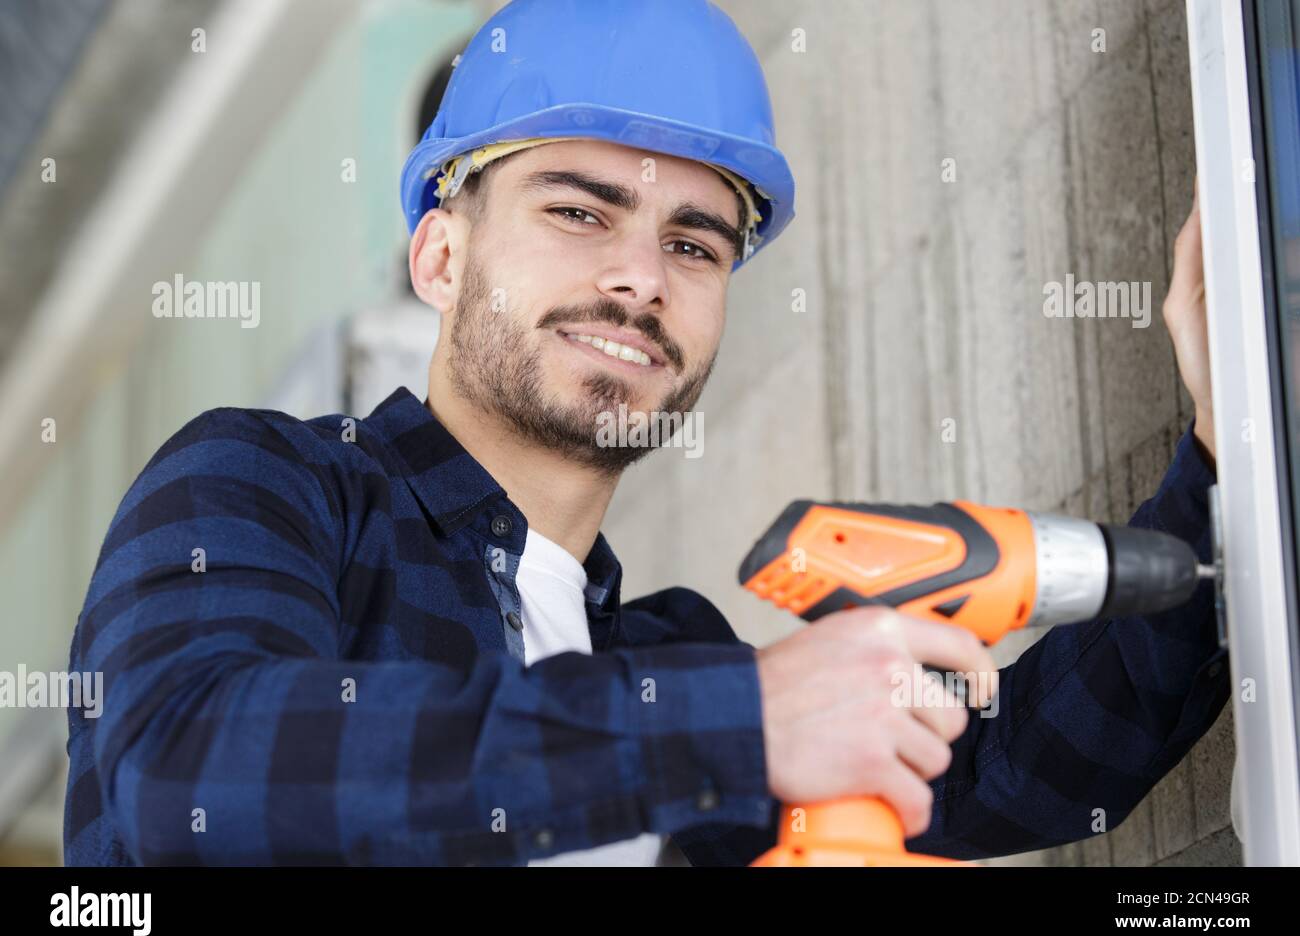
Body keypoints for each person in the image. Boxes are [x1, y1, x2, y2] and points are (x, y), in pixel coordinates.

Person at [63, 0, 1224, 866]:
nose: (637, 279)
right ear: (440, 255)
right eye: (578, 210)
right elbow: (187, 768)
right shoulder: (269, 482)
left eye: (693, 244)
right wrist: (748, 718)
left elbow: (1021, 767)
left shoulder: (669, 661)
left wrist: (1223, 463)